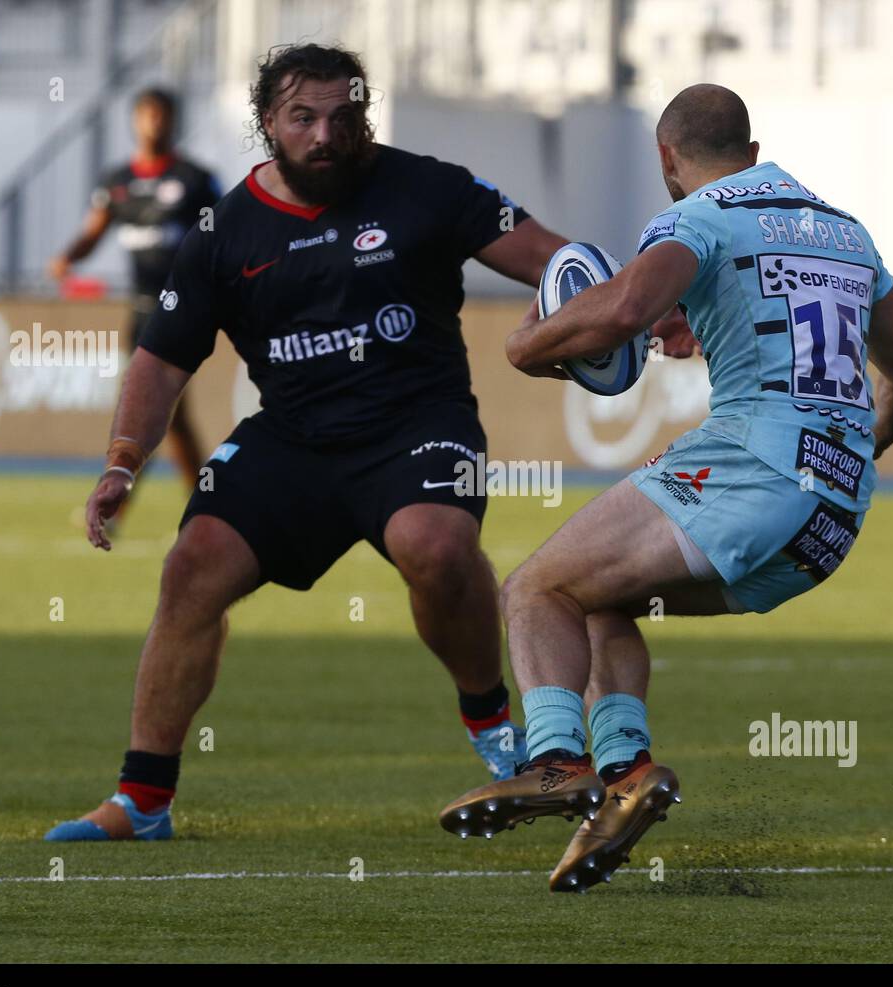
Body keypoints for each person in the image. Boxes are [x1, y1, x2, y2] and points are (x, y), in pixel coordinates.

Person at [45, 43, 577, 841]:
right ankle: (141, 802)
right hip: (293, 439)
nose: (325, 134)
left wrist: (646, 306)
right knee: (191, 569)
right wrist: (122, 462)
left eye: (342, 115)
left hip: (417, 425)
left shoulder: (430, 188)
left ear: (364, 116)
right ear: (268, 124)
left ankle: (493, 723)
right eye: (303, 117)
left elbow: (551, 259)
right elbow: (159, 360)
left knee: (432, 546)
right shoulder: (225, 231)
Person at [439, 84, 893, 892]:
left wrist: (525, 346)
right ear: (751, 144)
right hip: (832, 520)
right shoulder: (847, 233)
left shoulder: (696, 217)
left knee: (535, 588)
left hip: (751, 470)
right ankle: (628, 774)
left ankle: (557, 763)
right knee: (599, 600)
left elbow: (626, 306)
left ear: (667, 159)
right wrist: (842, 464)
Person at [48, 86, 219, 495]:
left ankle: (139, 500)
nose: (154, 123)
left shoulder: (194, 179)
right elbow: (94, 231)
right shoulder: (118, 182)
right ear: (134, 120)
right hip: (142, 310)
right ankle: (202, 498)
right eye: (147, 114)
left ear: (174, 120)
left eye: (162, 115)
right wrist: (68, 257)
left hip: (183, 309)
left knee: (156, 409)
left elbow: (221, 235)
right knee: (160, 413)